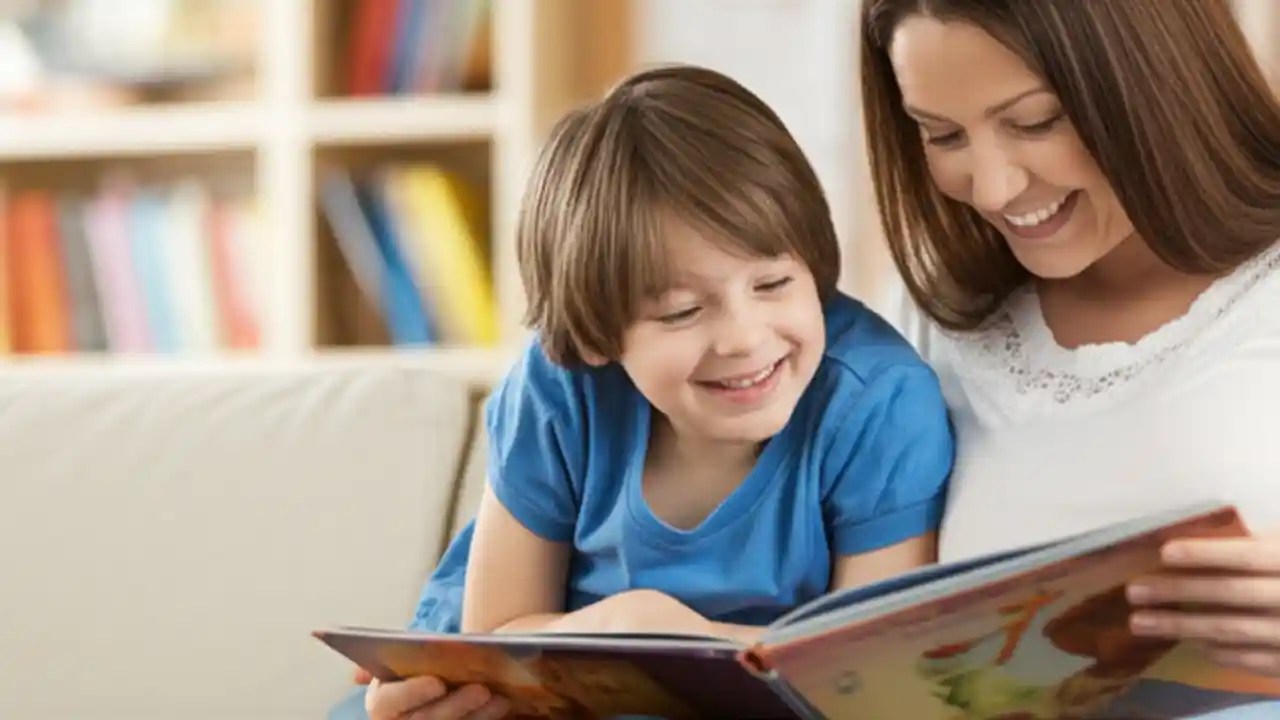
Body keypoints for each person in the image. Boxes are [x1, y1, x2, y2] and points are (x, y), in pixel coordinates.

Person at [341, 64, 955, 720]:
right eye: (682, 312)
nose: (745, 338)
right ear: (599, 336)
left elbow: (865, 679)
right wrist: (615, 631)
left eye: (773, 283)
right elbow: (499, 641)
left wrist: (656, 627)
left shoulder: (878, 405)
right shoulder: (561, 389)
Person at [859, 0, 1280, 715]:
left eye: (1036, 122)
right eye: (942, 134)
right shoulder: (928, 312)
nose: (992, 188)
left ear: (1158, 81)